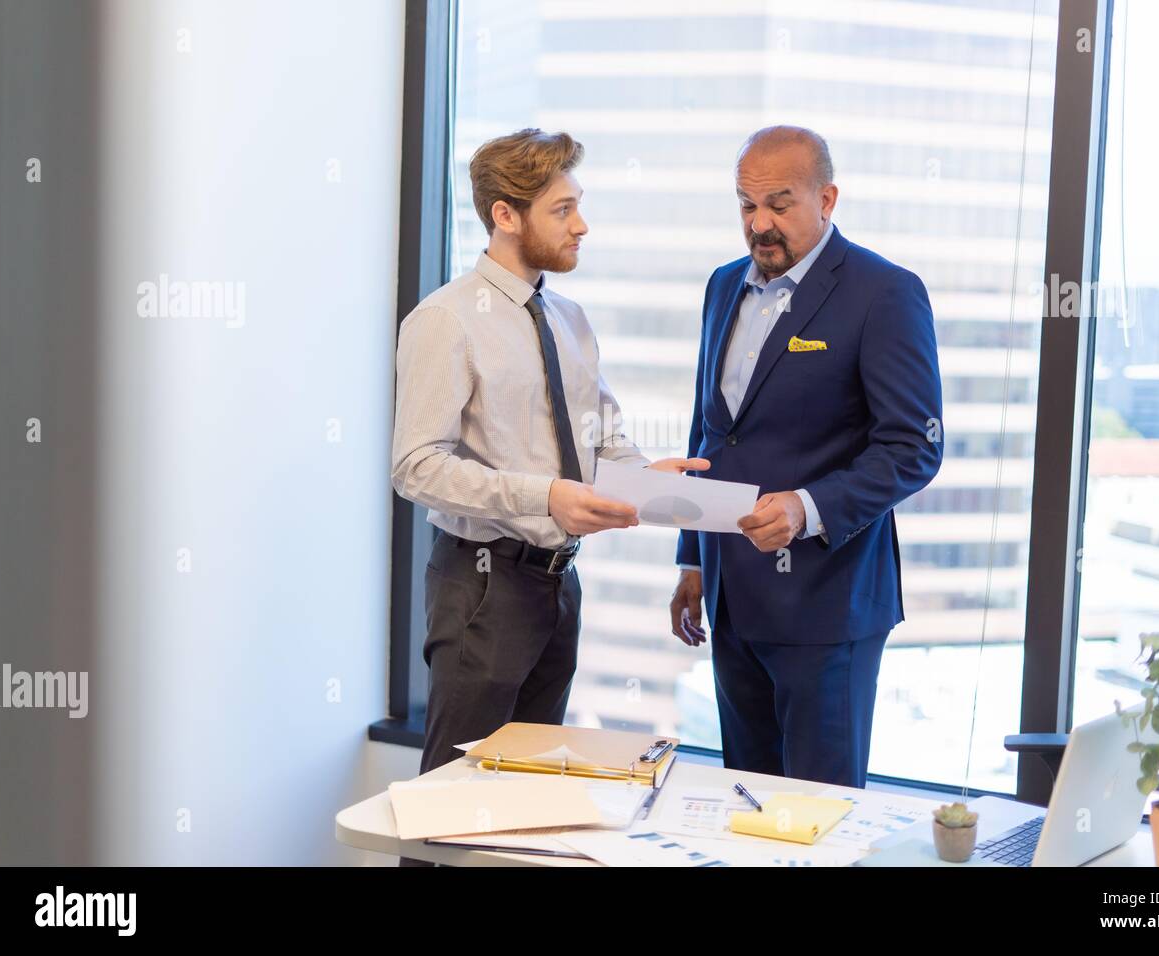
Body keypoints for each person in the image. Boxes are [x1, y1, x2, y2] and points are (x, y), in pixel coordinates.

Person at [392, 128, 706, 783]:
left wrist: (646, 477)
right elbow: (415, 465)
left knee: (527, 798)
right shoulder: (446, 320)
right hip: (481, 588)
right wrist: (545, 496)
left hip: (559, 586)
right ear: (505, 216)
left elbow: (601, 434)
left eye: (578, 205)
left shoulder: (570, 318)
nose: (581, 225)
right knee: (450, 804)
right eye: (562, 210)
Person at [670, 125, 944, 788]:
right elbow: (712, 432)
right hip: (732, 596)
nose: (759, 224)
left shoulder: (884, 292)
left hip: (827, 606)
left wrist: (806, 507)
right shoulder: (721, 285)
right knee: (750, 803)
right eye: (745, 204)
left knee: (819, 816)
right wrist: (691, 558)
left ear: (827, 199)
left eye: (779, 204)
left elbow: (914, 446)